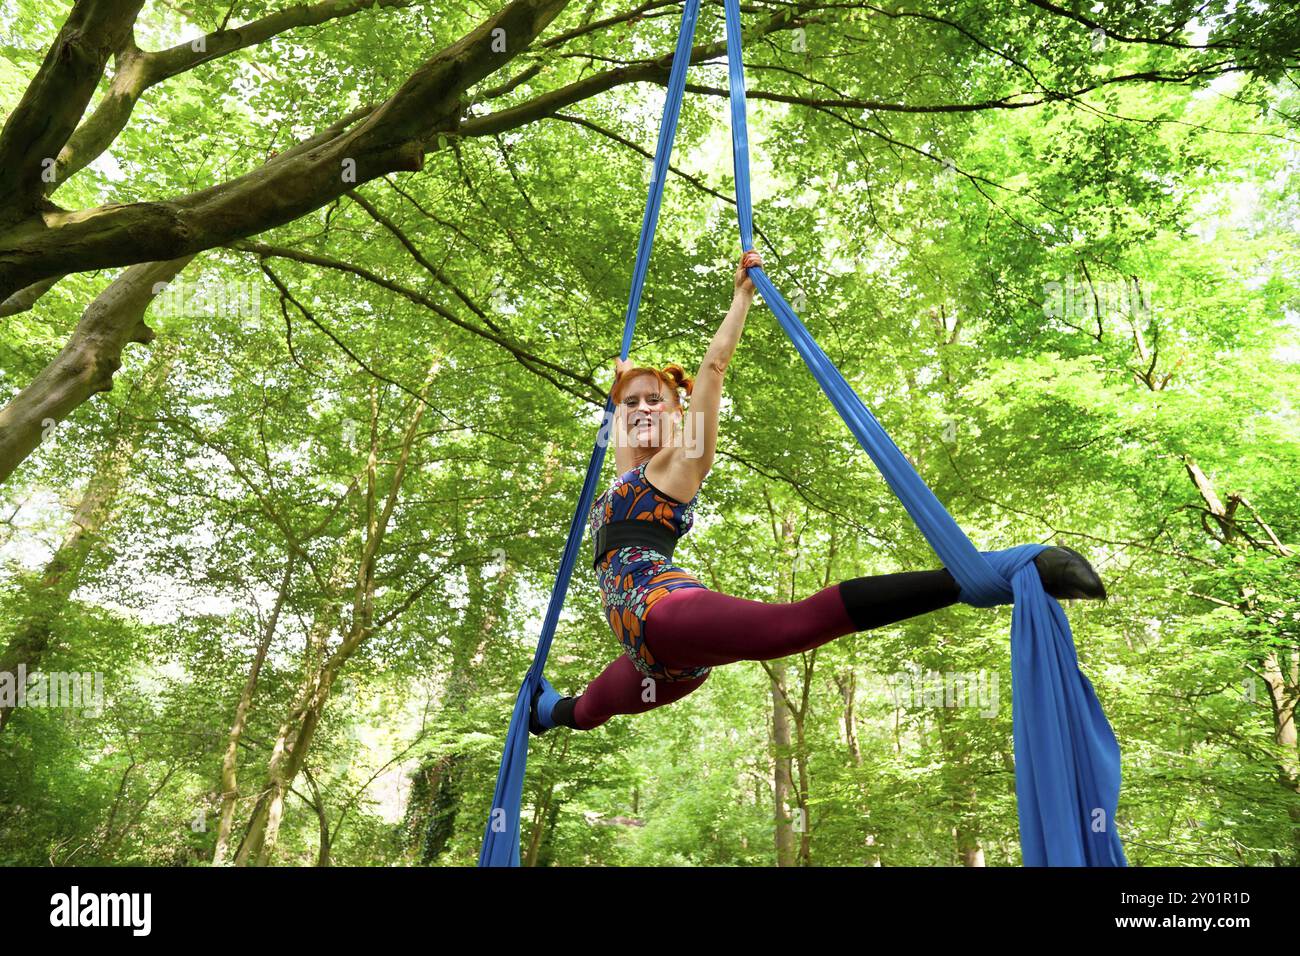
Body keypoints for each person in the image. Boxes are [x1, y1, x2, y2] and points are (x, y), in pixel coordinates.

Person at [530, 250, 1106, 734]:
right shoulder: (626, 476)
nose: (639, 410)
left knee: (789, 627)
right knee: (582, 710)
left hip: (666, 614)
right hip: (654, 661)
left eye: (655, 401)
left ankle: (989, 574)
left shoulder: (682, 462)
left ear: (681, 418)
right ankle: (543, 713)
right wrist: (628, 380)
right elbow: (625, 425)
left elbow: (712, 369)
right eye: (630, 405)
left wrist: (741, 300)